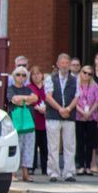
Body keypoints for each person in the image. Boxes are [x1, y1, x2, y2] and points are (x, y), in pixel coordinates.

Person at [43, 53, 78, 183]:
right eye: (62, 63)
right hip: (53, 115)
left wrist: (68, 109)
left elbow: (77, 96)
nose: (64, 65)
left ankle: (69, 172)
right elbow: (48, 96)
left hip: (69, 116)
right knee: (53, 146)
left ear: (69, 65)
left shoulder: (75, 79)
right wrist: (60, 109)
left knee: (69, 145)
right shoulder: (50, 78)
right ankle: (53, 172)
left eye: (66, 63)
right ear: (57, 64)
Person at [6, 67, 37, 183]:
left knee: (28, 148)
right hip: (16, 123)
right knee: (16, 147)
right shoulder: (10, 89)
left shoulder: (28, 89)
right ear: (14, 76)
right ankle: (13, 174)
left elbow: (35, 98)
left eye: (24, 75)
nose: (21, 77)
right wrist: (27, 100)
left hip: (28, 123)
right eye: (18, 75)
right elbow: (13, 99)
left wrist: (22, 99)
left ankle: (25, 174)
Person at [74, 65, 98, 177]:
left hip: (92, 117)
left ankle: (88, 166)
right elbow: (74, 100)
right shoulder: (76, 85)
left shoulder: (94, 86)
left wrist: (89, 112)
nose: (86, 75)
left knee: (90, 142)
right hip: (79, 116)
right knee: (80, 142)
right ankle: (81, 166)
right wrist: (82, 112)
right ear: (81, 73)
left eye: (90, 73)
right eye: (84, 72)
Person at [28, 66, 49, 176]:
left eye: (38, 73)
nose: (36, 76)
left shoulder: (47, 87)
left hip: (45, 119)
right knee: (33, 145)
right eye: (34, 74)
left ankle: (45, 168)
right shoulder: (29, 87)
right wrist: (37, 107)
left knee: (45, 146)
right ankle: (32, 167)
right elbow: (28, 100)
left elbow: (50, 98)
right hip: (34, 119)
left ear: (42, 75)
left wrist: (46, 108)